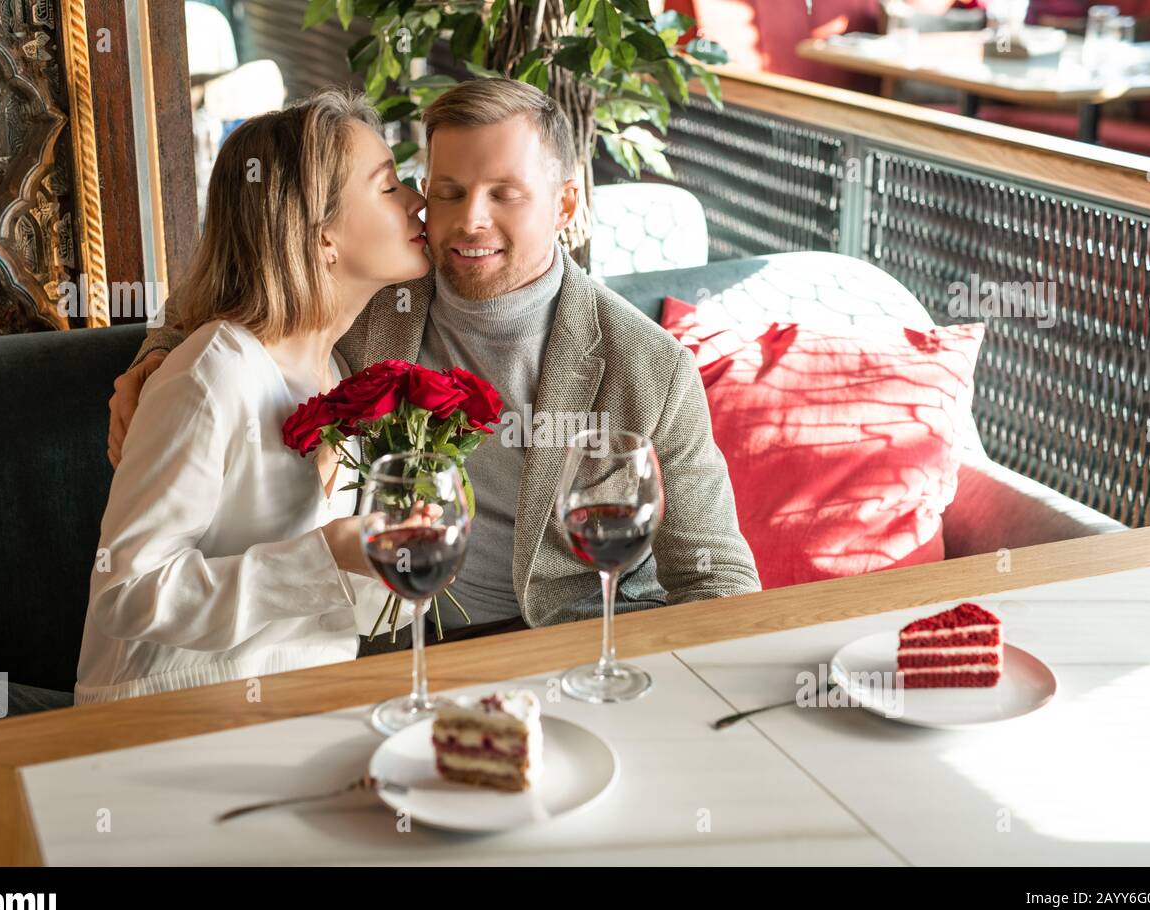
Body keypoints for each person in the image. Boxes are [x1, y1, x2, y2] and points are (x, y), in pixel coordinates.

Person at [109, 78, 759, 652]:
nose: (470, 220)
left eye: (505, 194)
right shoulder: (371, 292)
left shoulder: (650, 366)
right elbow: (249, 286)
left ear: (564, 206)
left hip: (574, 647)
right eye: (447, 191)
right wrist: (157, 354)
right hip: (393, 641)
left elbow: (716, 575)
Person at [77, 88, 427, 702]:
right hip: (169, 715)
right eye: (389, 186)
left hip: (308, 703)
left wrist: (396, 559)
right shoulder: (211, 375)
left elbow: (332, 599)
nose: (418, 201)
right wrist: (322, 557)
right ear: (324, 238)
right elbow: (125, 594)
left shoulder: (340, 376)